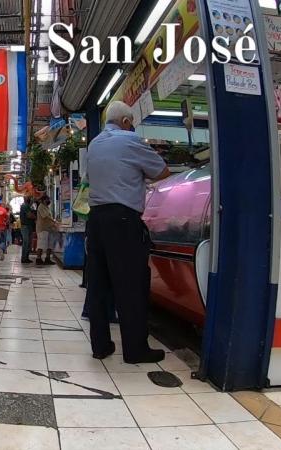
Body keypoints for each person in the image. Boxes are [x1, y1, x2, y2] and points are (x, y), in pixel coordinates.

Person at [86, 101, 171, 364]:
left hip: (96, 219)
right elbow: (163, 171)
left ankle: (100, 346)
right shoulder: (130, 140)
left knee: (98, 285)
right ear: (125, 121)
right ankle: (135, 349)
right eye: (131, 122)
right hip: (123, 220)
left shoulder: (95, 144)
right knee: (131, 284)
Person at [35, 197, 58, 265]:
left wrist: (54, 222)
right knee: (41, 245)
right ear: (43, 200)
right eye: (47, 200)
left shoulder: (47, 207)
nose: (48, 201)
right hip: (42, 229)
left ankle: (47, 259)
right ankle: (38, 258)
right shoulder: (41, 207)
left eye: (49, 199)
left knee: (49, 245)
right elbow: (45, 216)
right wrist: (54, 221)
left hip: (49, 228)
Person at [19, 197, 36, 263]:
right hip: (25, 227)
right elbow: (29, 215)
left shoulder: (29, 206)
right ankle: (24, 258)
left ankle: (26, 257)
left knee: (29, 243)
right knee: (26, 242)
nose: (31, 199)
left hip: (29, 226)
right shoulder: (25, 206)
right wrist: (34, 216)